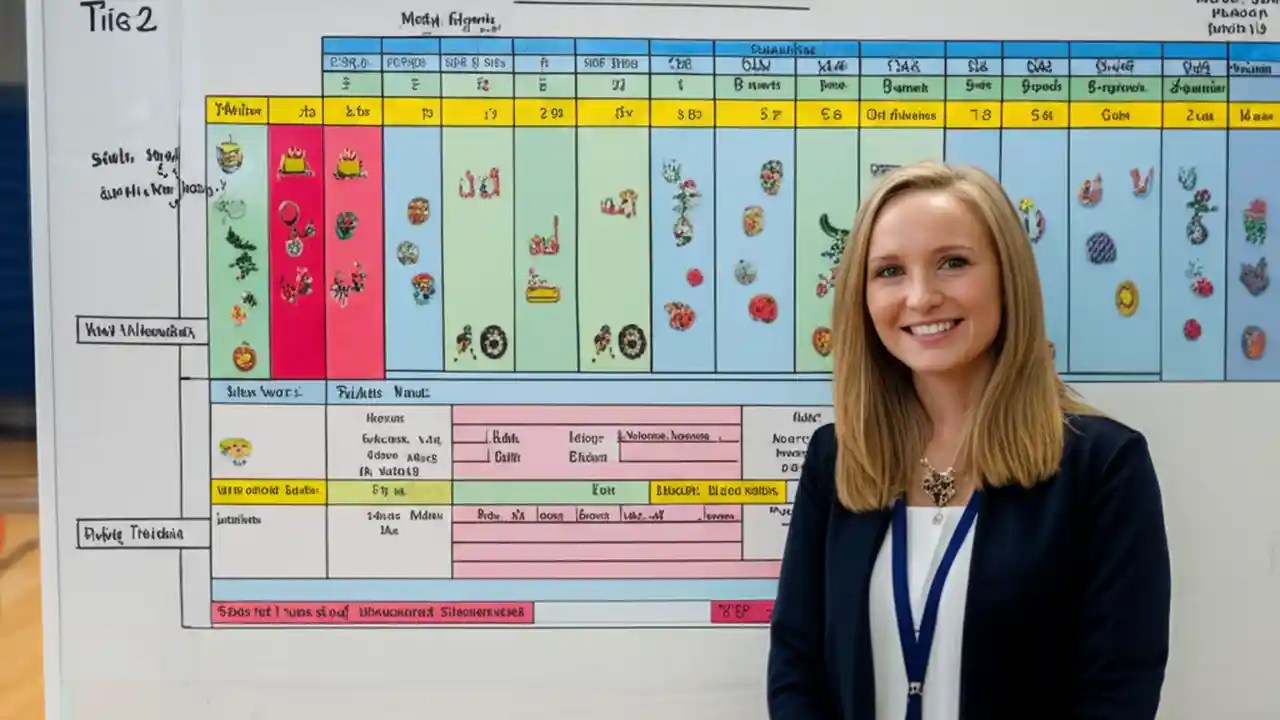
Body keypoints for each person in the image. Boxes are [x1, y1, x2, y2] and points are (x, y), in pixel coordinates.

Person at [766, 162, 1171, 719]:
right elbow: (796, 663)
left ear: (1008, 278)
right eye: (889, 271)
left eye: (952, 263)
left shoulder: (1104, 468)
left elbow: (1117, 693)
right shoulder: (836, 456)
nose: (920, 297)